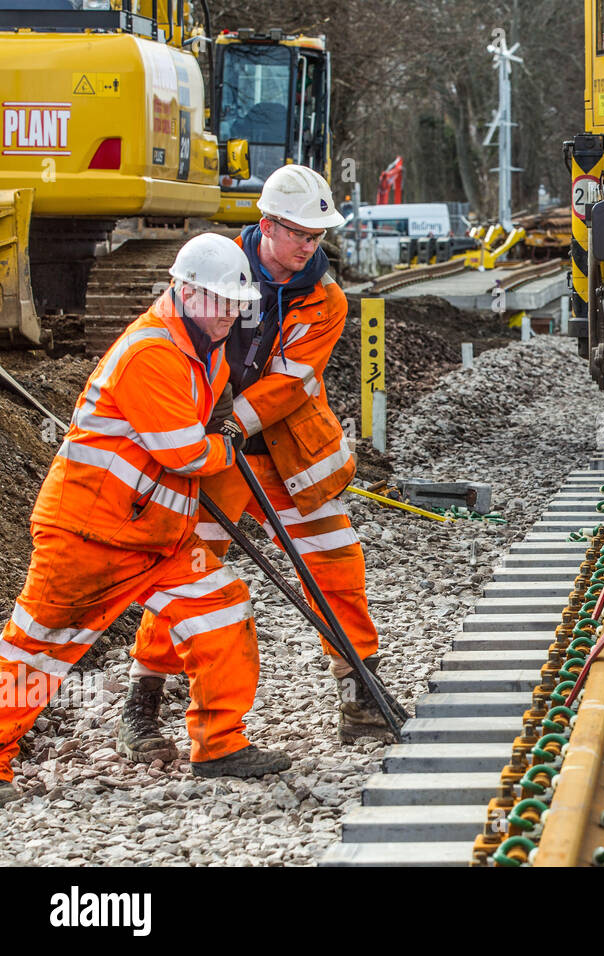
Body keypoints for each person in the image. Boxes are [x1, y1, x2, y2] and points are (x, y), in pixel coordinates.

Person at [0, 234, 291, 806]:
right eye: (220, 303)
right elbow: (183, 452)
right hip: (90, 534)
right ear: (183, 291)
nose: (231, 315)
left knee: (222, 606)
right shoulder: (151, 353)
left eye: (236, 305)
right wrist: (231, 446)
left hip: (157, 535)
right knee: (36, 650)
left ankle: (220, 744)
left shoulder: (201, 344)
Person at [119, 164, 396, 759]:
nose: (310, 246)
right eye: (300, 233)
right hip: (216, 457)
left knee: (335, 561)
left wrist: (232, 419)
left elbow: (292, 384)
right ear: (266, 225)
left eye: (318, 236)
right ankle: (144, 698)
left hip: (285, 454)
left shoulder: (326, 299)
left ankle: (360, 695)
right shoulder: (216, 271)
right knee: (190, 568)